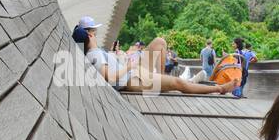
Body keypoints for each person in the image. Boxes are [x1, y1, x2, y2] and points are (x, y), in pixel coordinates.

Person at [76, 17, 229, 95]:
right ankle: (220, 89)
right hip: (131, 79)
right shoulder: (93, 54)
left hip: (133, 72)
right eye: (94, 31)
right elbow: (109, 78)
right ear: (89, 34)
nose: (96, 33)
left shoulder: (95, 52)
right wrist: (128, 66)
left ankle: (162, 79)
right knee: (178, 83)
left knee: (159, 42)